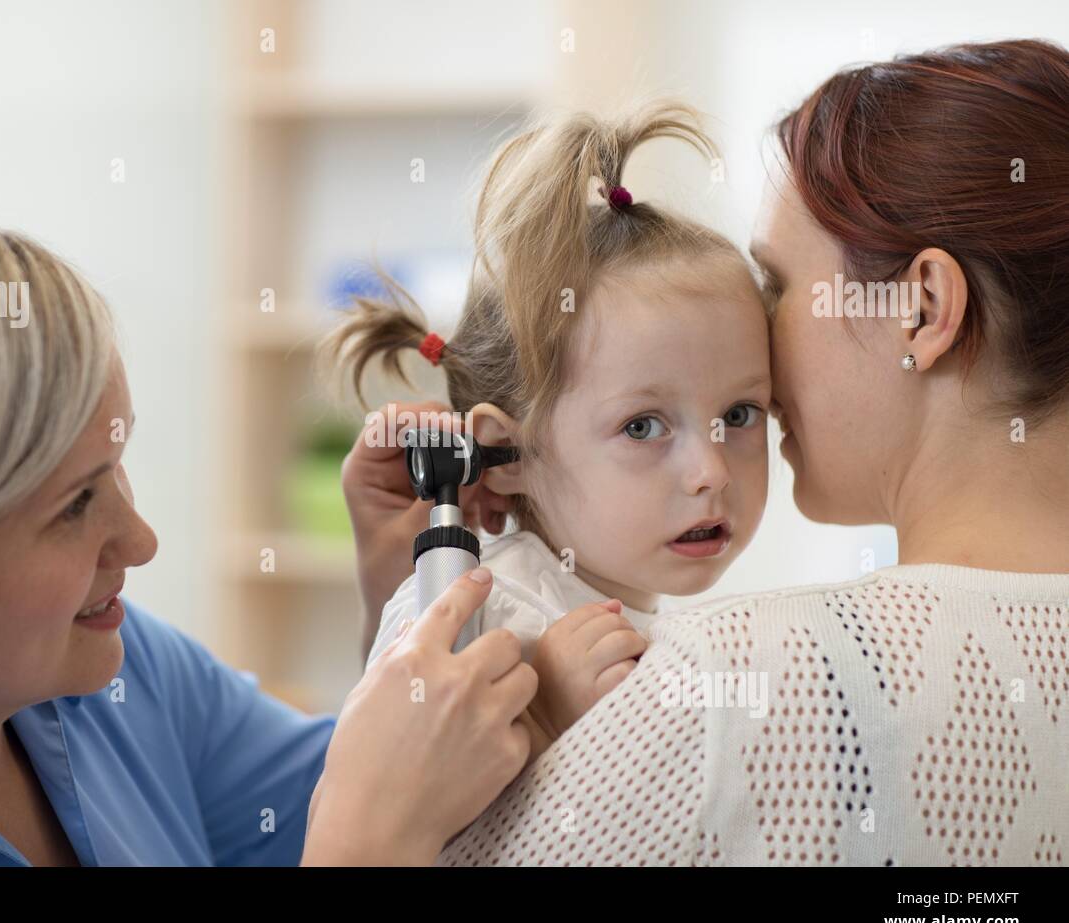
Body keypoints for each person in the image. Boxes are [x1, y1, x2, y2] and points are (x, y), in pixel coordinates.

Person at [357, 39, 1069, 866]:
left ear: (922, 309)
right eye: (644, 425)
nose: (712, 464)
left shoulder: (717, 693)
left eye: (779, 285)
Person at [0, 201, 535, 867]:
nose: (140, 541)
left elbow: (379, 795)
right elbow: (366, 827)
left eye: (116, 465)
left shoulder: (117, 676)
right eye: (72, 507)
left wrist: (400, 613)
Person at [323, 103, 771, 757]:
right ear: (507, 455)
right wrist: (545, 718)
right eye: (643, 426)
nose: (713, 471)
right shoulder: (474, 609)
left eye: (737, 416)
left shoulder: (636, 598)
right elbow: (386, 814)